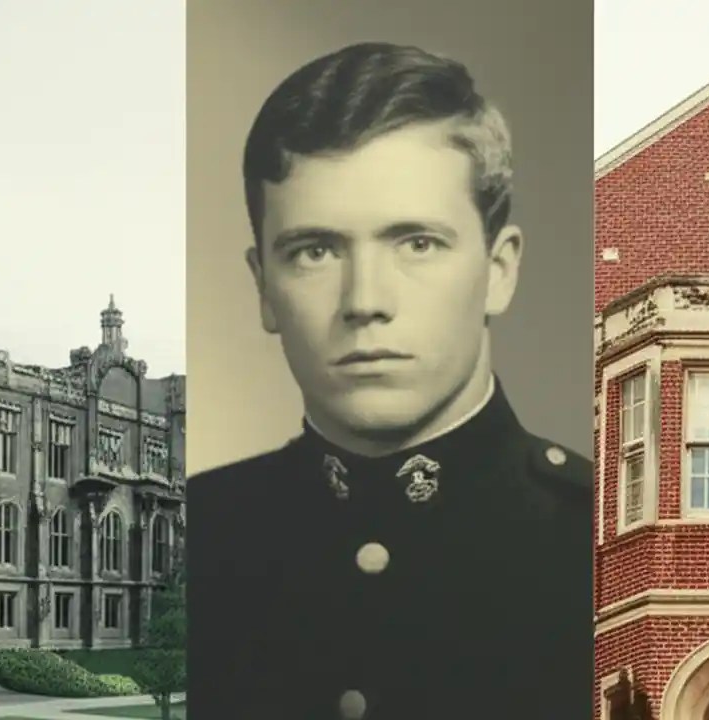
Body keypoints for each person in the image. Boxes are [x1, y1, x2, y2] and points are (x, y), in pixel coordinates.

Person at [186, 41, 592, 720]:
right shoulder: (202, 537)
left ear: (499, 269)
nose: (364, 299)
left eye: (417, 243)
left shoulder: (589, 545)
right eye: (315, 250)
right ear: (264, 287)